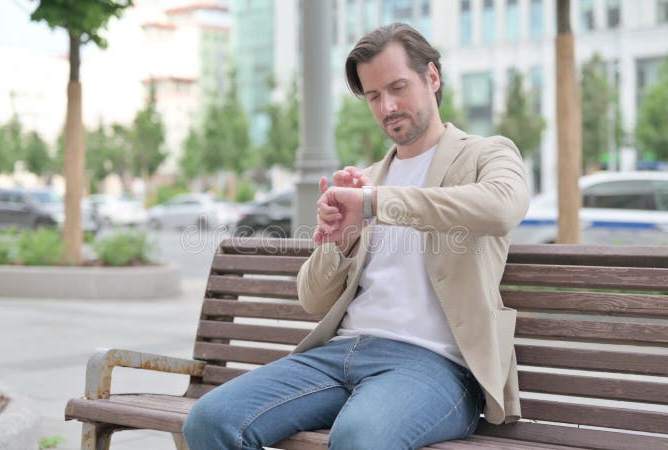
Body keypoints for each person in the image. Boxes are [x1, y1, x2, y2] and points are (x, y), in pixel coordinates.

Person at [182, 23, 529, 450]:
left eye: (398, 87)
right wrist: (340, 241)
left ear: (432, 77)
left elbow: (502, 206)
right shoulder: (366, 181)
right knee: (209, 420)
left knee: (358, 440)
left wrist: (375, 203)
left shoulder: (486, 153)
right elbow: (312, 298)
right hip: (338, 355)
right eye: (374, 96)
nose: (387, 106)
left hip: (435, 366)